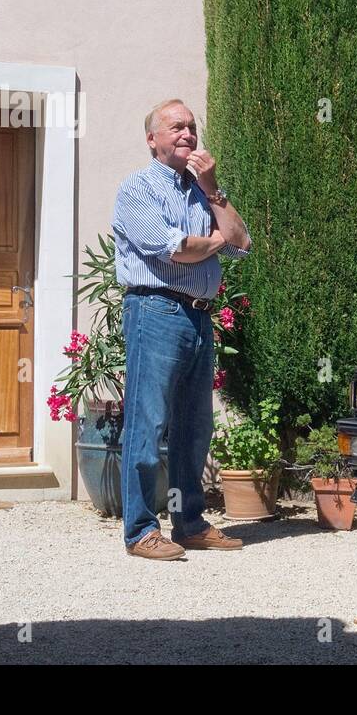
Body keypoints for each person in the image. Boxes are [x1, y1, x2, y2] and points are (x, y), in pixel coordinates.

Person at [112, 98, 252, 560]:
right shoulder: (138, 189)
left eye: (191, 126)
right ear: (152, 139)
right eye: (175, 127)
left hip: (198, 314)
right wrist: (217, 241)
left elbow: (244, 243)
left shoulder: (201, 191)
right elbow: (176, 249)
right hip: (154, 311)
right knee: (148, 422)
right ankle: (139, 531)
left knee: (195, 427)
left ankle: (189, 523)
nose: (187, 133)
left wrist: (212, 189)